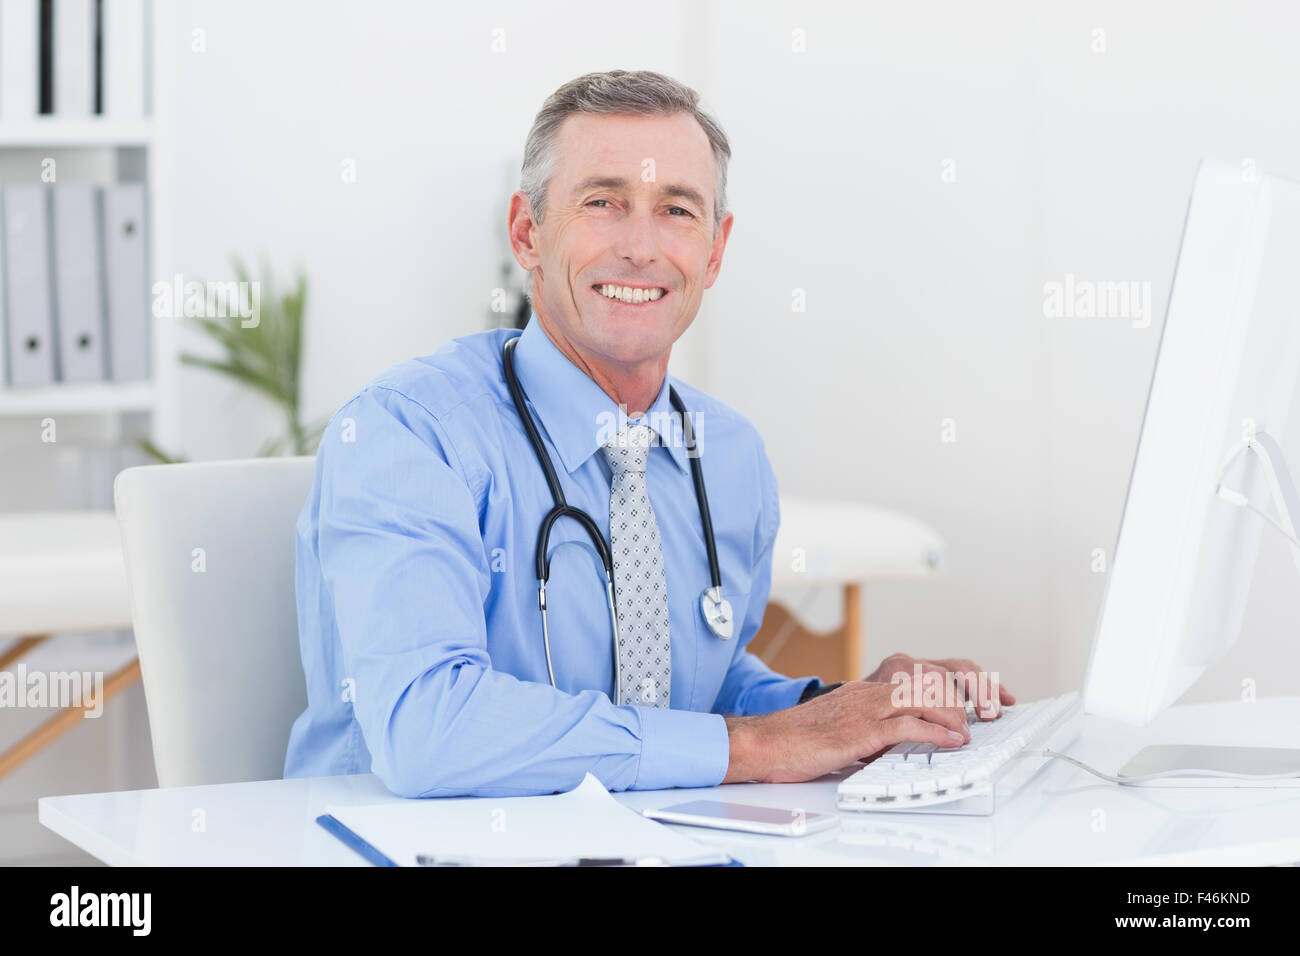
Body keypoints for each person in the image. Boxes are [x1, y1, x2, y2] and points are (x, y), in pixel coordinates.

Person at [283, 69, 1013, 797]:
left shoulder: (728, 457)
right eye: (603, 202)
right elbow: (429, 731)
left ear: (716, 251)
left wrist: (846, 712)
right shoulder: (410, 433)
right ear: (527, 232)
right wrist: (763, 742)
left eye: (677, 210)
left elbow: (699, 691)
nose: (641, 247)